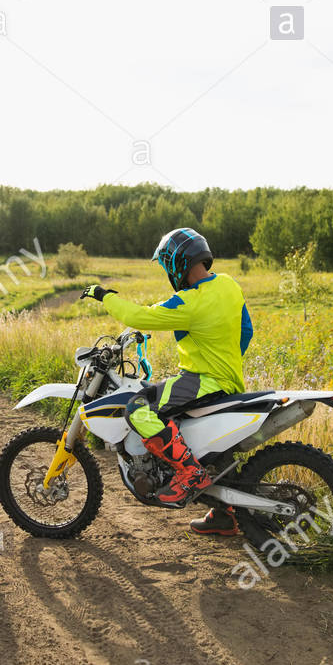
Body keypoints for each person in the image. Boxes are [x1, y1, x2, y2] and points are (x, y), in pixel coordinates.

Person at [80, 227, 252, 537]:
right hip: (230, 382)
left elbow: (140, 316)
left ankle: (188, 473)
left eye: (165, 266)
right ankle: (224, 515)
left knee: (138, 408)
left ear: (177, 263)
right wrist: (224, 360)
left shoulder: (189, 302)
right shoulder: (229, 285)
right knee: (215, 449)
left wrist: (104, 294)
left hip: (202, 381)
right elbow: (246, 331)